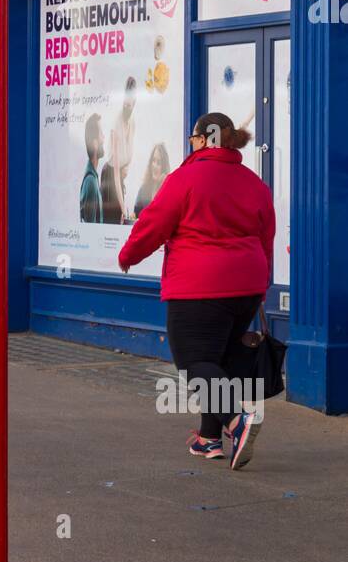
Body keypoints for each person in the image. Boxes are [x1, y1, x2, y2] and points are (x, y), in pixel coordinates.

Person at [118, 111, 276, 471]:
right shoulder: (254, 183)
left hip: (200, 287)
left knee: (194, 361)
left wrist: (129, 255)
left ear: (206, 138)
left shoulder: (185, 178)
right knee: (218, 359)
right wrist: (262, 283)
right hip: (246, 287)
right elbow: (267, 236)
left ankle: (237, 420)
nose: (190, 144)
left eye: (192, 138)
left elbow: (154, 223)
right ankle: (208, 440)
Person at [101, 77, 137, 223]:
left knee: (123, 218)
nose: (126, 107)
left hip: (119, 176)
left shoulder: (132, 122)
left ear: (134, 104)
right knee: (117, 219)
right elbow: (115, 174)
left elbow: (130, 152)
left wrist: (127, 167)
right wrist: (123, 209)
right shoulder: (116, 125)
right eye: (125, 104)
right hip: (110, 178)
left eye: (129, 105)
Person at [133, 142, 170, 217]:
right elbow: (135, 215)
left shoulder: (169, 190)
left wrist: (164, 184)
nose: (155, 166)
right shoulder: (143, 189)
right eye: (153, 160)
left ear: (164, 167)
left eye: (159, 163)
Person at [79, 113, 104, 223]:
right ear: (95, 144)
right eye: (101, 134)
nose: (104, 138)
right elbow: (90, 231)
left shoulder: (93, 178)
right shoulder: (91, 182)